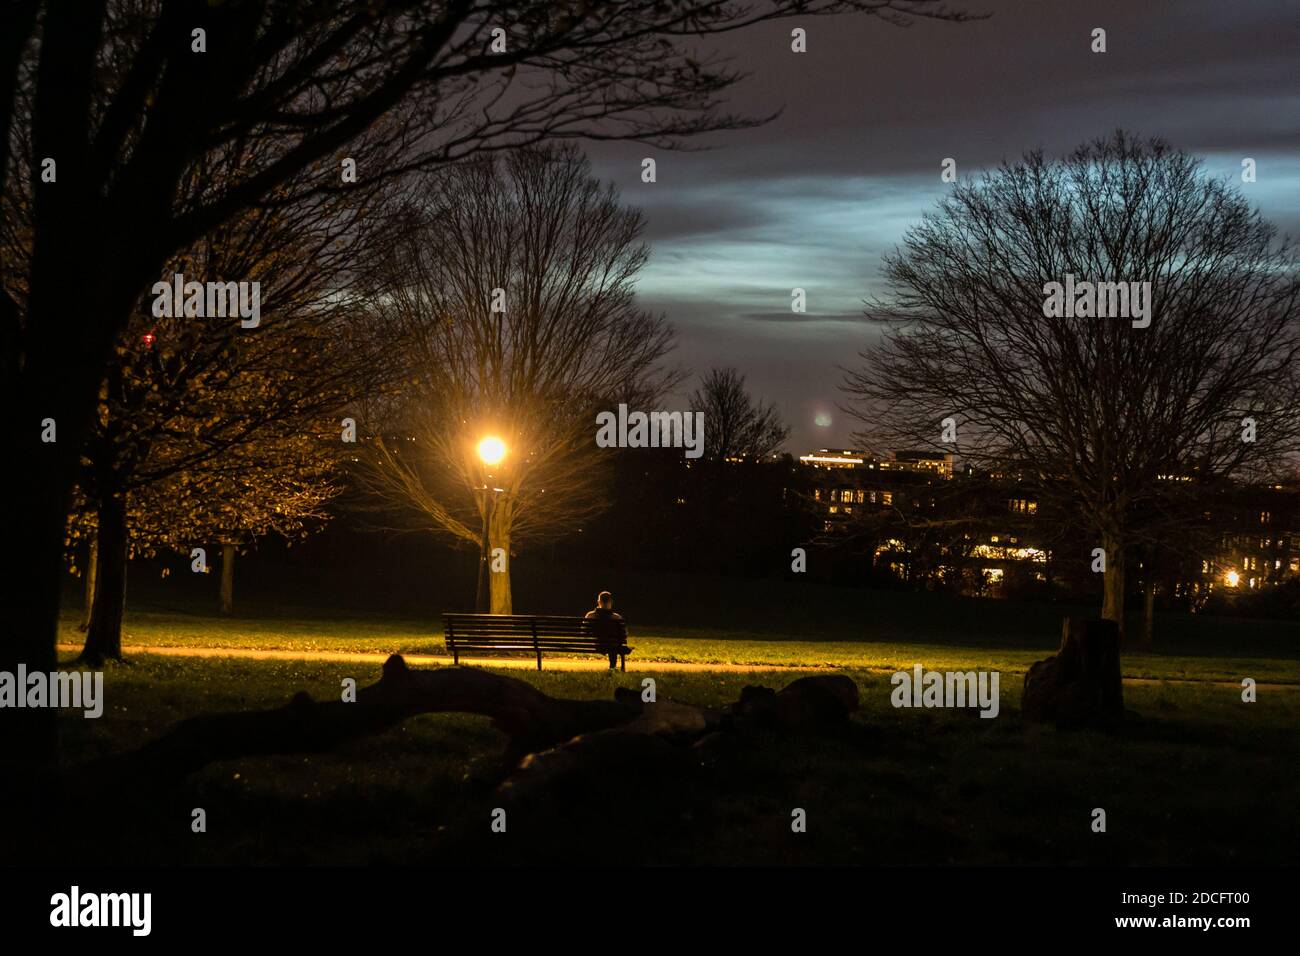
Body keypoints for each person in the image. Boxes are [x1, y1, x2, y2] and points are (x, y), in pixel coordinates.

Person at [584, 591, 626, 670]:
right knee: (613, 644)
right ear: (611, 602)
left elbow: (584, 631)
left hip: (597, 645)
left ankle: (612, 667)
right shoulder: (616, 617)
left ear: (599, 602)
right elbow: (623, 634)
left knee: (612, 643)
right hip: (612, 646)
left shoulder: (590, 615)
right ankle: (612, 667)